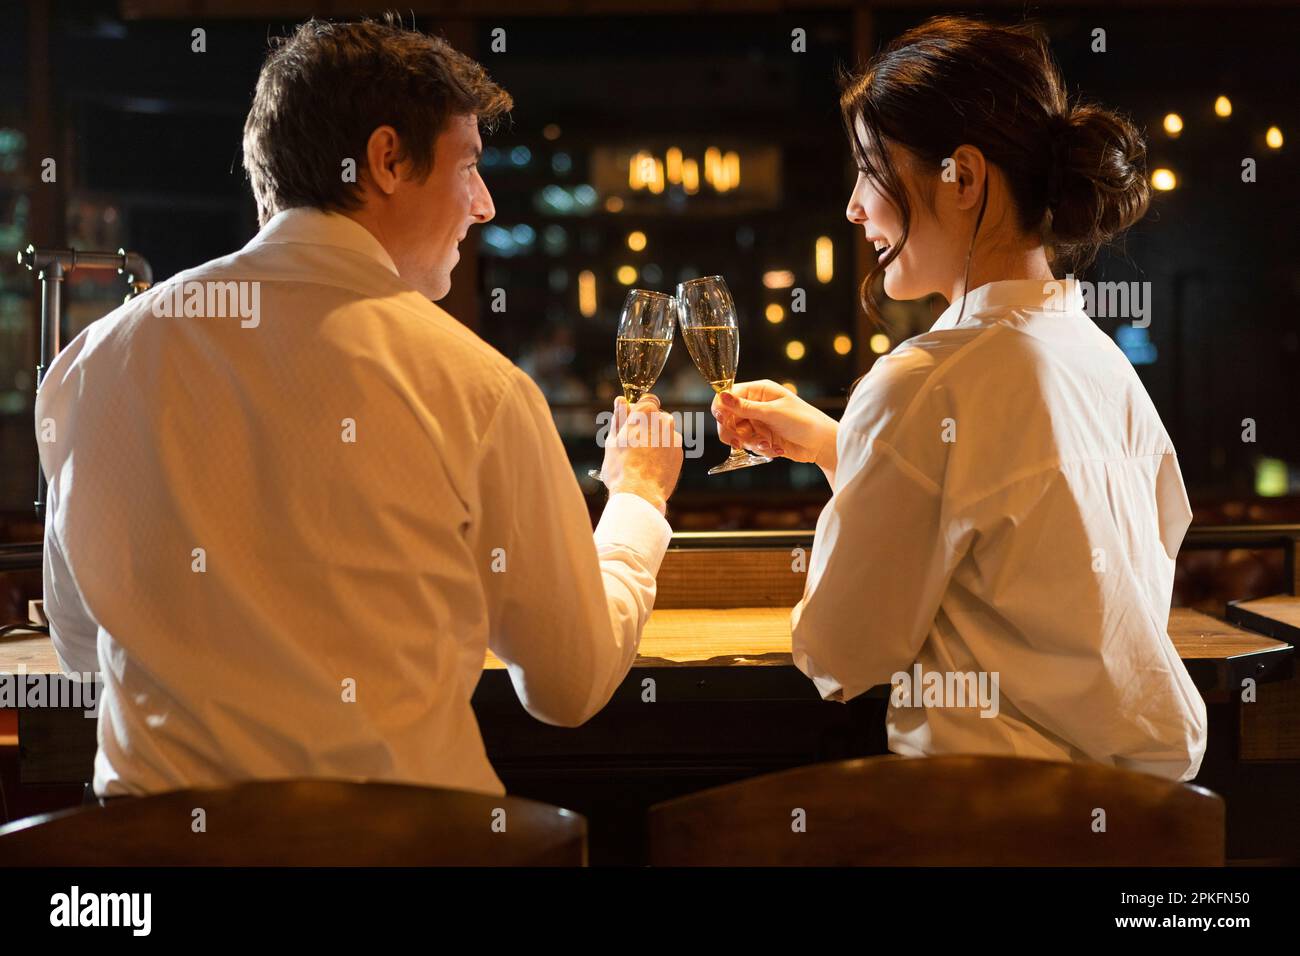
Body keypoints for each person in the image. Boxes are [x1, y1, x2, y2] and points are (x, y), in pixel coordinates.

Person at [36, 15, 682, 799]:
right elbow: (568, 683)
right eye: (469, 166)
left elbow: (78, 651)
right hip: (402, 852)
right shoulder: (474, 386)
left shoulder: (90, 365)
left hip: (151, 860)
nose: (484, 206)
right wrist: (639, 501)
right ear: (385, 160)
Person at [714, 16, 1206, 781]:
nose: (854, 206)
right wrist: (836, 445)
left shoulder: (924, 381)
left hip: (985, 820)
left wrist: (870, 457)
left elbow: (840, 655)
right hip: (1147, 815)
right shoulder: (1102, 364)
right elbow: (1028, 551)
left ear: (963, 179)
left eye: (871, 169)